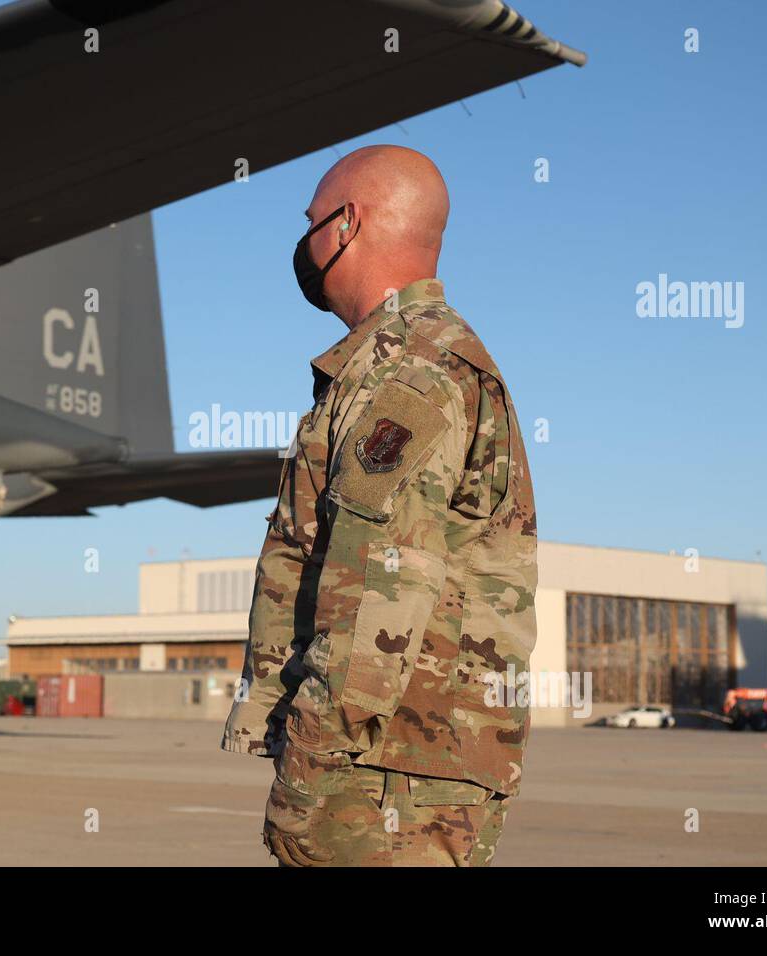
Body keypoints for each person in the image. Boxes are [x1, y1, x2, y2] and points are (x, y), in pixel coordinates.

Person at [220, 145, 538, 866]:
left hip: (384, 776)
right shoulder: (388, 366)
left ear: (346, 225)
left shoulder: (410, 376)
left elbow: (376, 599)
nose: (303, 243)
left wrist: (309, 770)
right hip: (396, 766)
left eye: (310, 223)